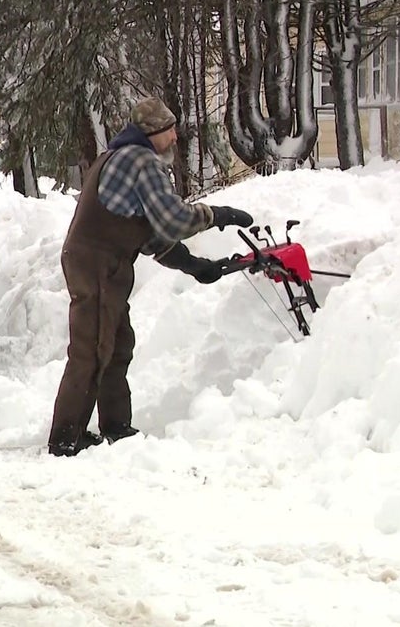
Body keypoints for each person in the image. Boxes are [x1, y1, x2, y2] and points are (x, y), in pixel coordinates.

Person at [48, 96, 253, 457]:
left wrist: (192, 264)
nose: (175, 137)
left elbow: (149, 234)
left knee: (116, 344)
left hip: (101, 263)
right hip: (98, 263)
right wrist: (217, 214)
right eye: (170, 130)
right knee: (92, 349)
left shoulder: (119, 156)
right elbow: (174, 219)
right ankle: (66, 438)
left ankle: (116, 426)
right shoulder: (142, 161)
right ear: (153, 132)